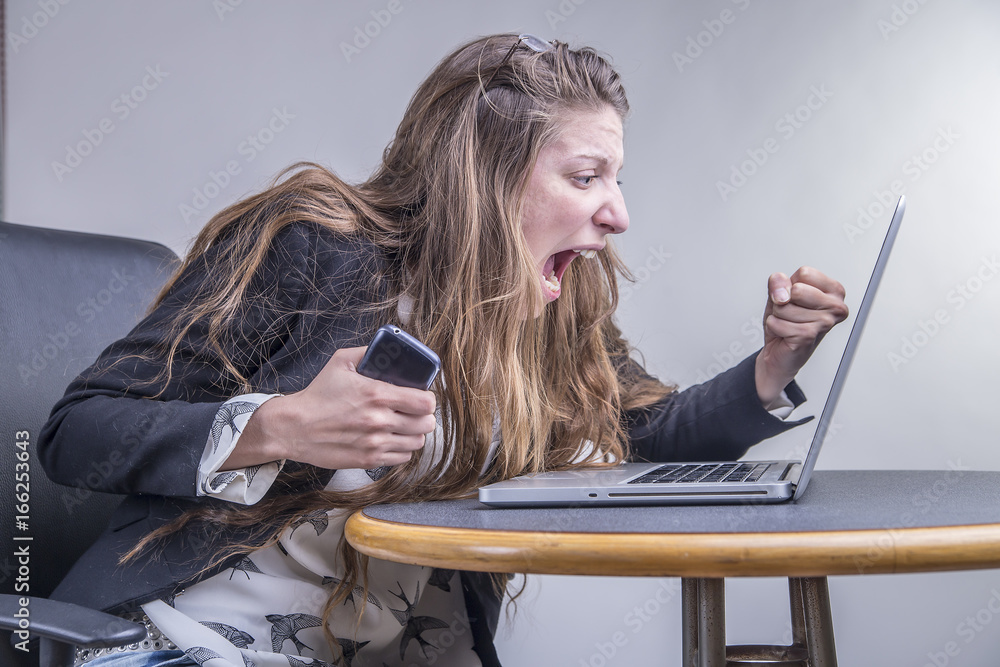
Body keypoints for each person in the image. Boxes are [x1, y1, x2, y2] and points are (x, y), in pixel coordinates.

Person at [39, 33, 848, 667]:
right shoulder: (313, 245)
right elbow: (77, 429)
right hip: (194, 638)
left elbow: (643, 434)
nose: (617, 214)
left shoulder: (553, 305)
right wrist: (280, 426)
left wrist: (773, 364)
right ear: (490, 177)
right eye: (586, 175)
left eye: (618, 178)